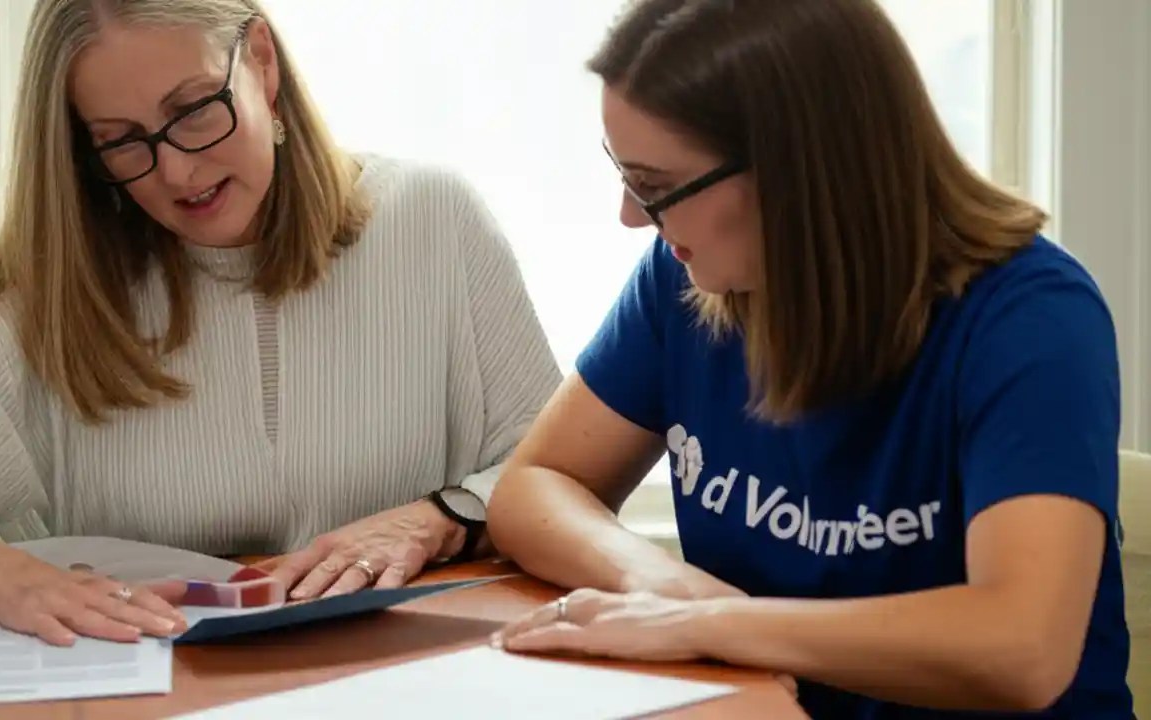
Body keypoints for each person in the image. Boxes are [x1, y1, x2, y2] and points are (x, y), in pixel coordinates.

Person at [485, 0, 1133, 717]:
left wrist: (713, 625)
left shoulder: (1031, 318)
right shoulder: (686, 280)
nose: (631, 216)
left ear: (795, 173)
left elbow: (1021, 650)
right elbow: (535, 485)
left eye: (656, 187)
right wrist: (669, 590)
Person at [0, 0, 560, 647]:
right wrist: (0, 573)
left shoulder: (433, 220)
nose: (176, 172)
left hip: (403, 676)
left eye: (194, 109)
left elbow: (559, 476)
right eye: (122, 141)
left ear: (261, 60)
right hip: (160, 687)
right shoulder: (51, 300)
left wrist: (437, 519)